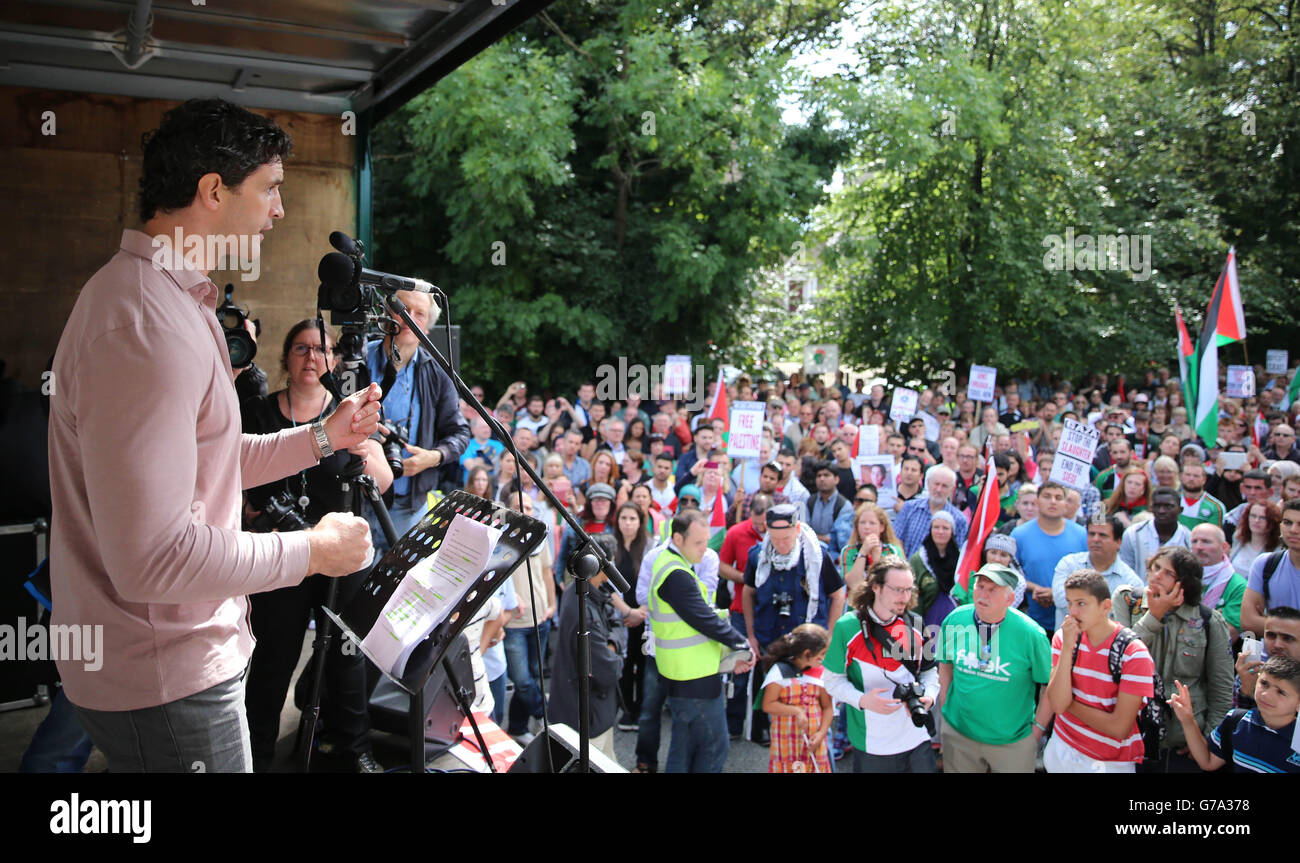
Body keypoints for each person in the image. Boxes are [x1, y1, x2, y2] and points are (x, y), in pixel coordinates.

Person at [49, 99, 382, 773]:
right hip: (166, 676)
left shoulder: (166, 300)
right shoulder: (145, 325)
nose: (279, 210)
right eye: (269, 188)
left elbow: (204, 460)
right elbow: (155, 558)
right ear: (211, 192)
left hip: (168, 668)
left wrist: (320, 437)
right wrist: (311, 550)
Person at [241, 321, 394, 773]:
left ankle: (355, 750)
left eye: (321, 350)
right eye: (302, 348)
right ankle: (257, 756)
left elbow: (382, 483)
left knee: (348, 663)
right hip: (282, 555)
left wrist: (368, 450)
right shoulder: (257, 410)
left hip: (342, 557)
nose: (312, 357)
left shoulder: (350, 411)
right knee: (273, 660)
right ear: (286, 358)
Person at [647, 510, 754, 773]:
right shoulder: (676, 574)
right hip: (694, 678)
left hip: (684, 672)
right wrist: (742, 645)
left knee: (684, 747)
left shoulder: (670, 563)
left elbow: (697, 617)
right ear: (678, 539)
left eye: (707, 541)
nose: (705, 549)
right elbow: (702, 618)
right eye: (698, 543)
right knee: (714, 746)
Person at [1112, 547, 1233, 772]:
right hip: (1134, 738)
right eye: (1155, 568)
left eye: (1168, 573)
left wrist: (1207, 740)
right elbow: (1118, 661)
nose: (1157, 576)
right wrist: (1154, 616)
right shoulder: (1127, 601)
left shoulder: (1209, 621)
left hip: (1185, 744)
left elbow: (1222, 690)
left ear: (1184, 582)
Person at [823, 557, 939, 773]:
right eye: (897, 590)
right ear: (876, 586)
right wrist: (862, 700)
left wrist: (929, 696)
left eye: (908, 590)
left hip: (917, 737)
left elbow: (930, 672)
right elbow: (831, 680)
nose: (904, 597)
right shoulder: (848, 627)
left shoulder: (916, 624)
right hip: (873, 744)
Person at [937, 563, 1052, 773]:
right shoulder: (955, 620)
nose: (983, 594)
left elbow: (1048, 687)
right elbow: (945, 665)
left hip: (1012, 741)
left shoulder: (1031, 634)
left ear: (1009, 599)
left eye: (992, 590)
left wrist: (1036, 732)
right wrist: (945, 706)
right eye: (980, 586)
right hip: (960, 735)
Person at [1045, 570, 1156, 773]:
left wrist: (1068, 703)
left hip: (1109, 763)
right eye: (1070, 603)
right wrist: (1068, 648)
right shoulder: (1063, 638)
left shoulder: (1134, 653)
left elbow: (1119, 728)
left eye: (1081, 603)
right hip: (1062, 748)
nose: (1073, 612)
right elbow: (1057, 704)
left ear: (1105, 606)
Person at [548, 540, 623, 761]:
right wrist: (617, 654)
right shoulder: (584, 607)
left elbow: (617, 627)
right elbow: (608, 670)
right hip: (587, 717)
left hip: (582, 710)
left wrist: (613, 645)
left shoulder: (580, 592)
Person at [1170, 656, 1300, 773]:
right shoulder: (1237, 721)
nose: (1266, 695)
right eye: (1264, 683)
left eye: (1281, 692)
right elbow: (1208, 761)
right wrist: (1187, 719)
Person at [503, 493, 557, 741]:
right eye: (518, 506)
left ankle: (517, 726)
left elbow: (547, 573)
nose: (525, 511)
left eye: (530, 507)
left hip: (540, 619)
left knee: (534, 676)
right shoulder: (500, 539)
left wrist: (552, 602)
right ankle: (548, 719)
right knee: (522, 680)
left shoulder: (541, 537)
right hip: (514, 623)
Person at [1011, 481, 1088, 633]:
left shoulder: (1082, 535)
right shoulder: (1019, 535)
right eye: (1047, 496)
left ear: (1066, 503)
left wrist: (1058, 593)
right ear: (1037, 501)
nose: (1053, 501)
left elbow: (1089, 574)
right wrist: (1034, 588)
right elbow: (1011, 573)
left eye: (1058, 497)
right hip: (1029, 621)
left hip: (1074, 623)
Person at [761, 624, 834, 773]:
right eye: (822, 654)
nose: (823, 658)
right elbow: (768, 705)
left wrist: (821, 733)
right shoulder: (780, 673)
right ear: (807, 653)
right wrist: (796, 711)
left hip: (814, 741)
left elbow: (828, 707)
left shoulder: (820, 674)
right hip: (786, 741)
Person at [1051, 515, 1143, 629]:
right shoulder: (1069, 564)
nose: (1095, 539)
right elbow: (1061, 601)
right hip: (1067, 643)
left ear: (1118, 542)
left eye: (1102, 535)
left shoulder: (1130, 582)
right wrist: (1101, 611)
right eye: (1091, 534)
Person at [612, 503, 651, 732]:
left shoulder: (649, 546)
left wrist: (640, 612)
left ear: (640, 521)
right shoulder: (610, 547)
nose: (627, 523)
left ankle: (642, 709)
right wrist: (627, 611)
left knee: (644, 664)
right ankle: (627, 709)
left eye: (632, 518)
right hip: (621, 617)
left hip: (645, 617)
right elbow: (606, 586)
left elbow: (655, 582)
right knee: (624, 665)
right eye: (623, 518)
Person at [1241, 497, 1300, 639]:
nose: (1293, 530)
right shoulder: (1265, 563)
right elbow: (1248, 622)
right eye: (1287, 523)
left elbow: (1257, 622)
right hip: (1271, 660)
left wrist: (1272, 626)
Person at [893, 465, 970, 557]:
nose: (939, 489)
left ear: (952, 490)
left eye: (944, 486)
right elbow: (896, 539)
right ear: (928, 483)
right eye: (936, 484)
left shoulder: (959, 519)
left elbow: (958, 553)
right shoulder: (909, 508)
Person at [1190, 524, 1248, 637]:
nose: (1199, 547)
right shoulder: (1179, 577)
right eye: (1194, 541)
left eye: (1206, 542)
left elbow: (1228, 633)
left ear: (1224, 547)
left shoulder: (1238, 586)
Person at [1119, 486, 1192, 573]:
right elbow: (1125, 570)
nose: (1161, 511)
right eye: (1157, 506)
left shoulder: (1189, 538)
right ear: (1151, 508)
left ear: (1180, 510)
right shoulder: (1133, 534)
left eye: (1168, 506)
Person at [909, 511, 961, 627]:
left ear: (952, 531)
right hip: (927, 625)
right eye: (936, 527)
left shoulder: (960, 560)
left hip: (955, 624)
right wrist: (918, 629)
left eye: (945, 528)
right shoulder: (919, 560)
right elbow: (914, 598)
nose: (940, 532)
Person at [841, 502, 904, 591]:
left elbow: (887, 584)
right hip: (855, 603)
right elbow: (854, 584)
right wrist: (862, 553)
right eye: (862, 523)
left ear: (882, 527)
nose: (867, 527)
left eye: (872, 523)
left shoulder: (892, 551)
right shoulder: (848, 551)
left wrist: (877, 558)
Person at [1229, 499, 1281, 577]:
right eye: (1253, 516)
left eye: (1263, 518)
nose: (1256, 520)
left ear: (1272, 522)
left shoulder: (1277, 551)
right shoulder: (1238, 537)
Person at [1177, 461, 1225, 530]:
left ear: (1204, 480)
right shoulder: (1172, 500)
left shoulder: (1215, 507)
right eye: (1188, 475)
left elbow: (1213, 536)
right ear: (1181, 477)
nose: (1191, 479)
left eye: (1196, 476)